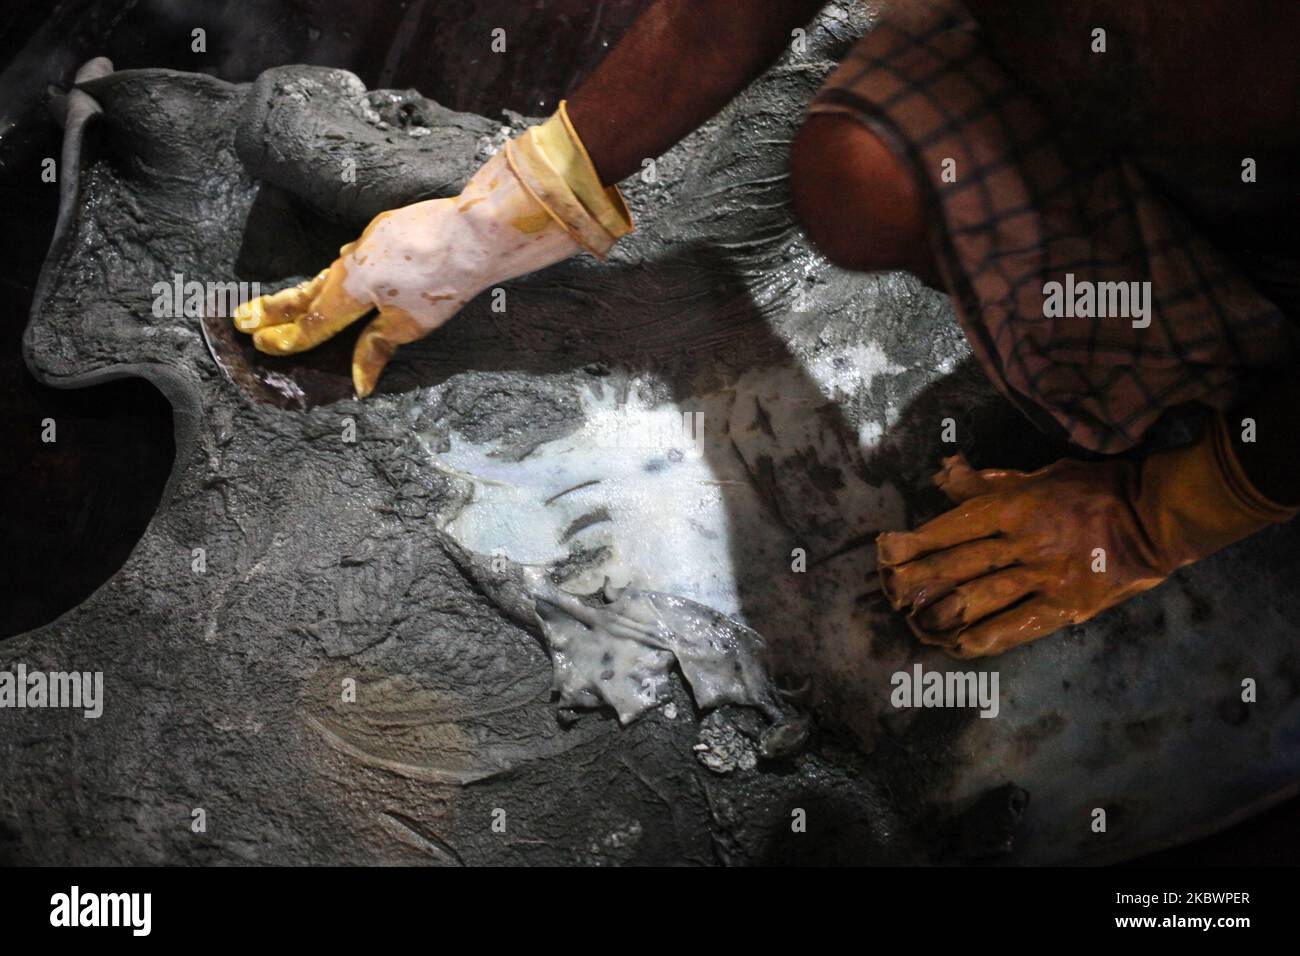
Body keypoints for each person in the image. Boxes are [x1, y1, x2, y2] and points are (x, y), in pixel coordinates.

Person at [232, 0, 1299, 658]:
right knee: (858, 179)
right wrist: (494, 218)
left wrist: (1157, 515)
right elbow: (722, 14)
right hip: (1119, 76)